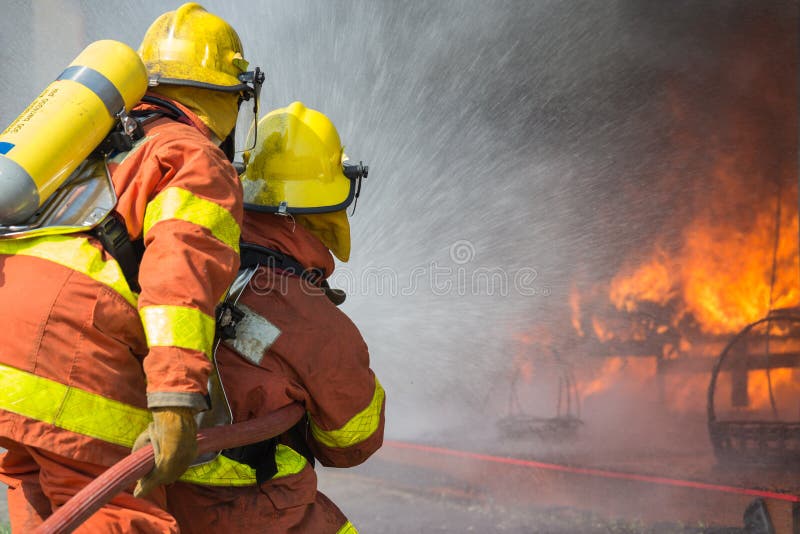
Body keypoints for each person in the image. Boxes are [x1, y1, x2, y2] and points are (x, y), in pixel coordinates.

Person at [0, 3, 259, 531]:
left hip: (8, 335)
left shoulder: (95, 139)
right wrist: (175, 402)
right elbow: (179, 281)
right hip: (71, 353)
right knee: (121, 518)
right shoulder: (194, 156)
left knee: (44, 507)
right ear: (230, 98)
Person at [165, 102, 385, 533]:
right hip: (248, 507)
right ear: (330, 200)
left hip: (157, 498)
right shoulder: (312, 320)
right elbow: (353, 443)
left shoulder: (192, 254)